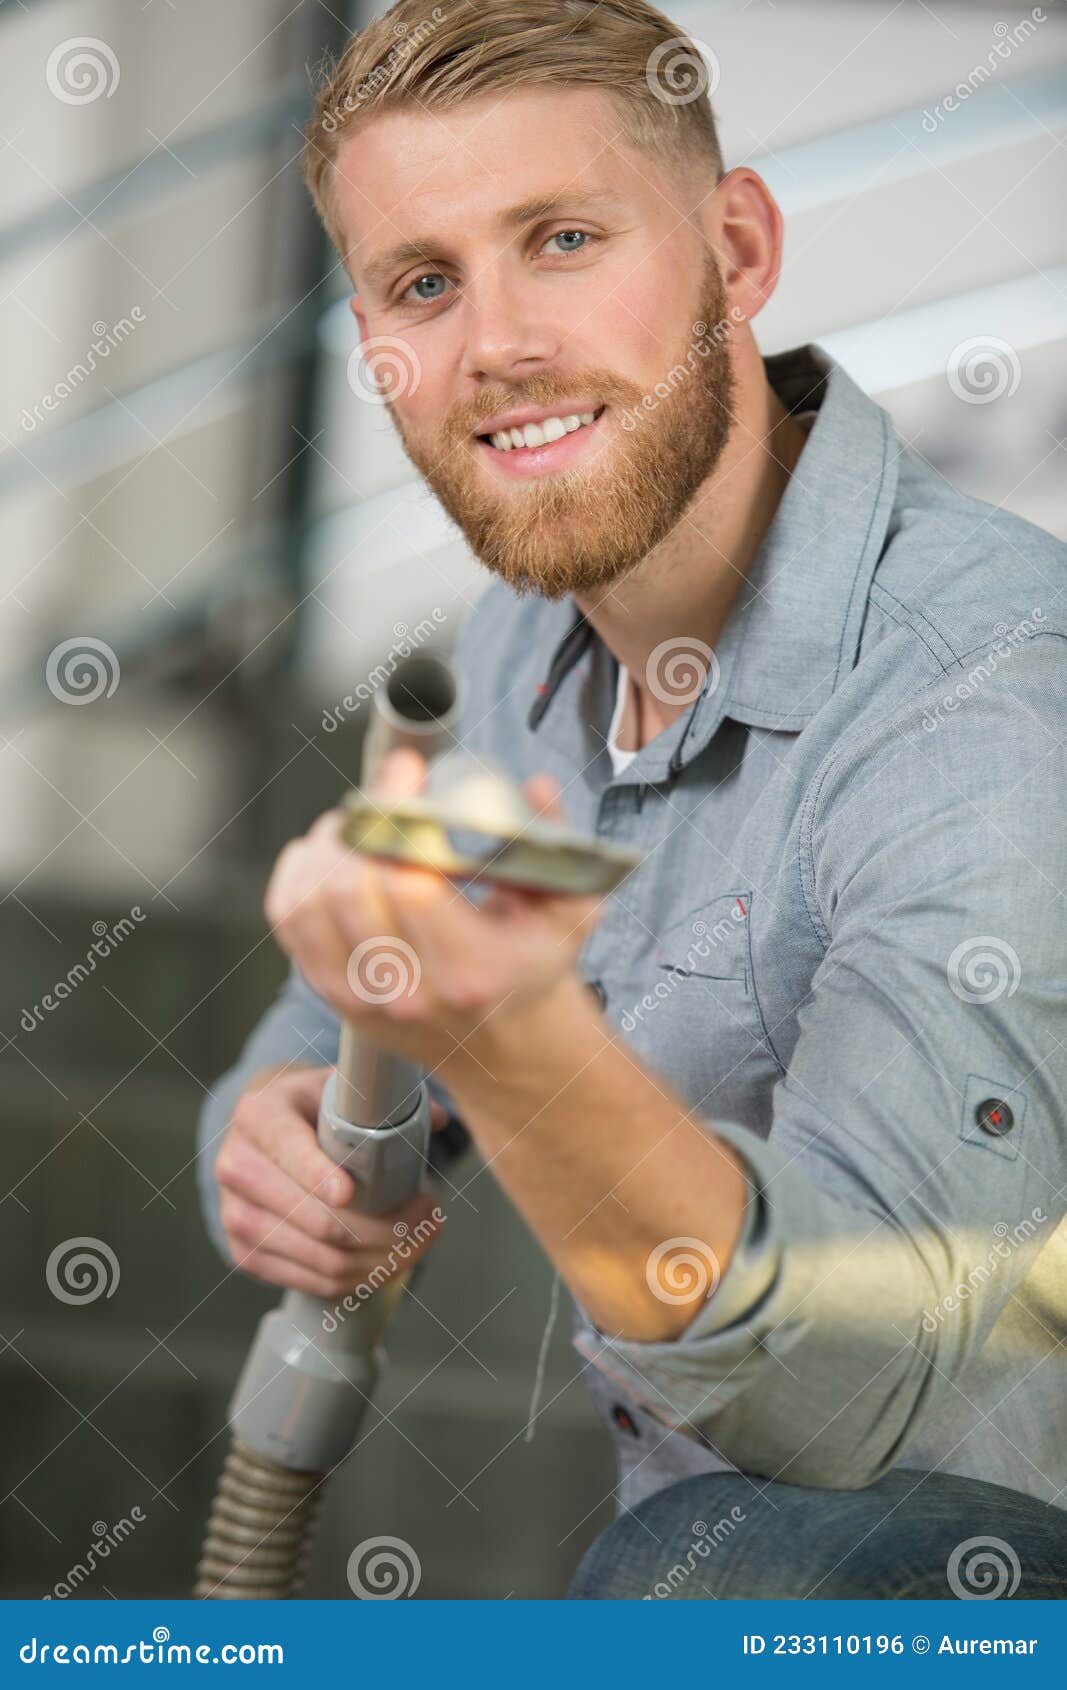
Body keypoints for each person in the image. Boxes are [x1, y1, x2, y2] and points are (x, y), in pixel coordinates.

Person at [196, 0, 1067, 1598]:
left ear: (736, 250)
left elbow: (858, 1408)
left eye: (566, 237)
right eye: (424, 283)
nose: (497, 345)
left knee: (714, 1567)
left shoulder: (995, 691)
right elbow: (337, 1029)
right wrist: (262, 1133)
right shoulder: (532, 626)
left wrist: (521, 1043)